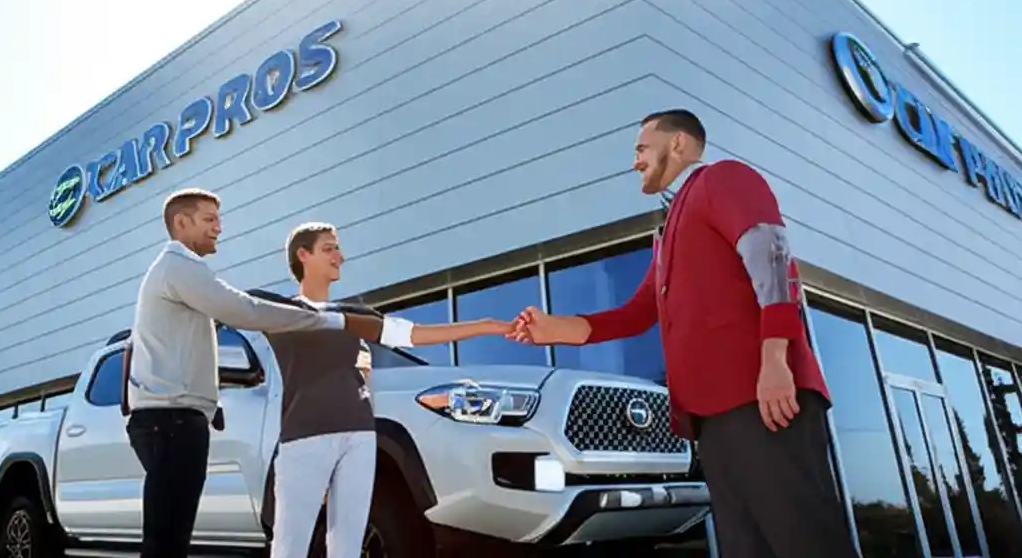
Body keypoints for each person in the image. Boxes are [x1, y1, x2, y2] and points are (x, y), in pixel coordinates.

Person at [507, 109, 857, 558]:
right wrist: (552, 329)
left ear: (677, 145)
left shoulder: (722, 179)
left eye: (640, 148)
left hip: (764, 400)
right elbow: (634, 316)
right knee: (746, 548)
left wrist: (774, 361)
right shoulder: (668, 232)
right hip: (714, 421)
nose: (634, 162)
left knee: (802, 542)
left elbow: (772, 254)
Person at [122, 189, 390, 558]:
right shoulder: (179, 267)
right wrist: (326, 320)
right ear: (181, 223)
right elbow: (244, 310)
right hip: (171, 422)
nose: (219, 228)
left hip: (170, 420)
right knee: (167, 540)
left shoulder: (175, 273)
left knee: (168, 537)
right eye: (209, 219)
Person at [264, 222, 512, 558]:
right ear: (303, 255)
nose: (340, 256)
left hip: (358, 439)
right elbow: (217, 301)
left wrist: (487, 326)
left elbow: (415, 335)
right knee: (289, 547)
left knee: (348, 546)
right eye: (329, 248)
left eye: (338, 248)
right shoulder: (277, 312)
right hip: (304, 440)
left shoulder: (355, 318)